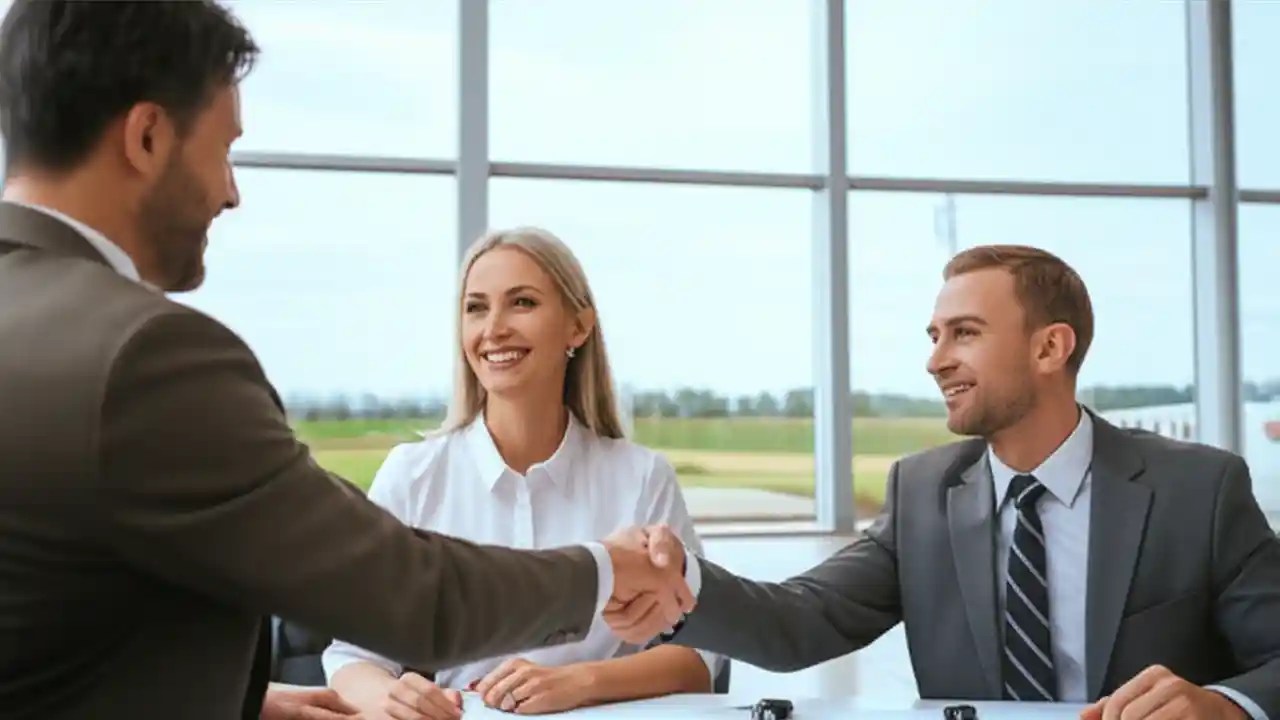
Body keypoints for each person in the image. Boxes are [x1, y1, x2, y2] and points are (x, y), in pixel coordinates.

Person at [0, 2, 691, 719]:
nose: (230, 191)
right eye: (224, 148)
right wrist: (605, 567)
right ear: (146, 136)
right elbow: (411, 593)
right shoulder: (148, 356)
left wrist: (252, 702)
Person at [609, 245, 1280, 720]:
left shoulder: (1199, 489)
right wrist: (684, 585)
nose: (935, 361)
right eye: (933, 335)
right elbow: (799, 622)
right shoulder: (922, 494)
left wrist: (1224, 705)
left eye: (964, 333)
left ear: (1050, 348)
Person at [322, 228, 720, 719]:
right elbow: (352, 656)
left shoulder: (640, 477)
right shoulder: (412, 475)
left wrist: (580, 682)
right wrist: (391, 698)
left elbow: (700, 653)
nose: (494, 328)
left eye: (522, 303)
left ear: (578, 327)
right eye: (475, 308)